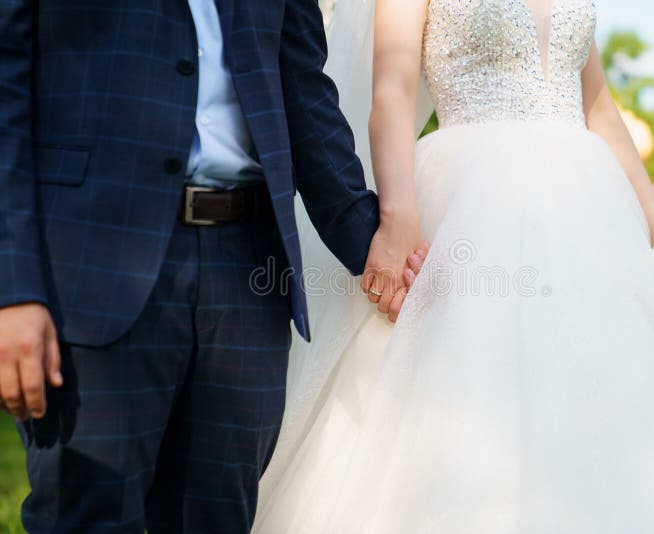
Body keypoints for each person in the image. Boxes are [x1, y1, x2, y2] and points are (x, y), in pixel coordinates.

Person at [253, 0, 654, 532]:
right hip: (469, 200)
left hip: (588, 211)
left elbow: (599, 105)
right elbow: (392, 89)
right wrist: (397, 218)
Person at [0, 1, 419, 531]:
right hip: (89, 270)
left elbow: (302, 89)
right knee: (87, 517)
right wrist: (13, 288)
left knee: (218, 518)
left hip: (246, 280)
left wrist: (374, 250)